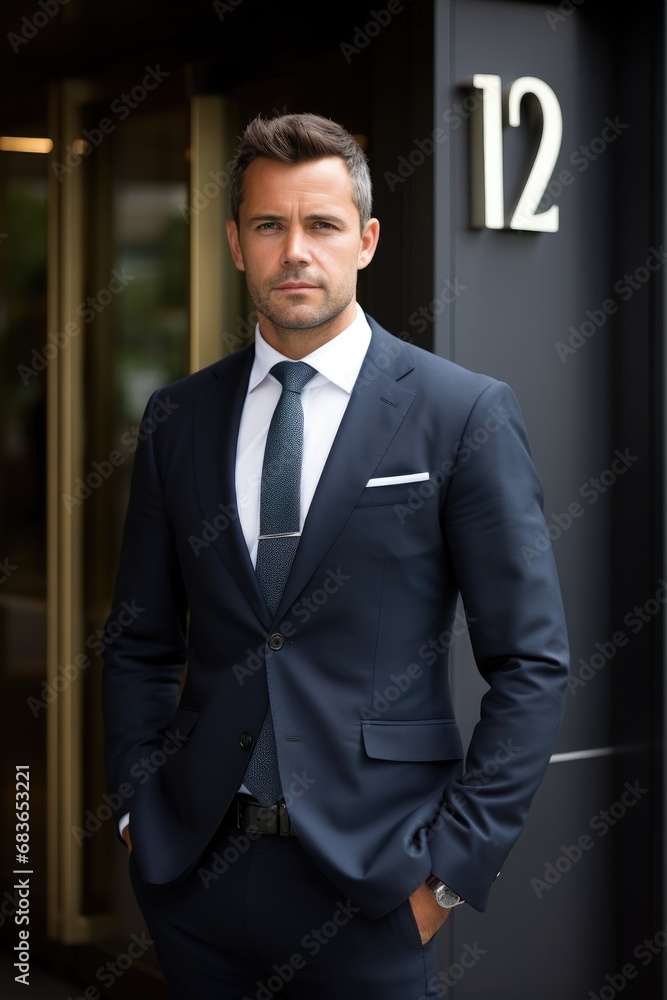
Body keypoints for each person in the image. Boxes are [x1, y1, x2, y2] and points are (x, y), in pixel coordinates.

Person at [102, 111, 569, 999]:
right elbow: (137, 640)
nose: (295, 253)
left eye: (320, 225)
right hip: (197, 876)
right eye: (270, 226)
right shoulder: (179, 418)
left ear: (365, 239)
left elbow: (531, 662)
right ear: (236, 243)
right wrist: (136, 813)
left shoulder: (458, 413)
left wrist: (444, 876)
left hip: (374, 885)